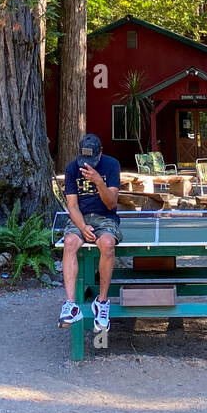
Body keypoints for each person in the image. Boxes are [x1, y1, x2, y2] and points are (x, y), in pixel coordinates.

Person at [58, 133, 122, 332]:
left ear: (100, 153)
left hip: (105, 217)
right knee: (69, 242)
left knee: (108, 245)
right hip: (81, 217)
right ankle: (71, 305)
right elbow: (72, 205)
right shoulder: (71, 169)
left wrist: (98, 182)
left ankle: (102, 302)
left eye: (92, 160)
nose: (88, 165)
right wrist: (83, 226)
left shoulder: (112, 165)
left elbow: (112, 203)